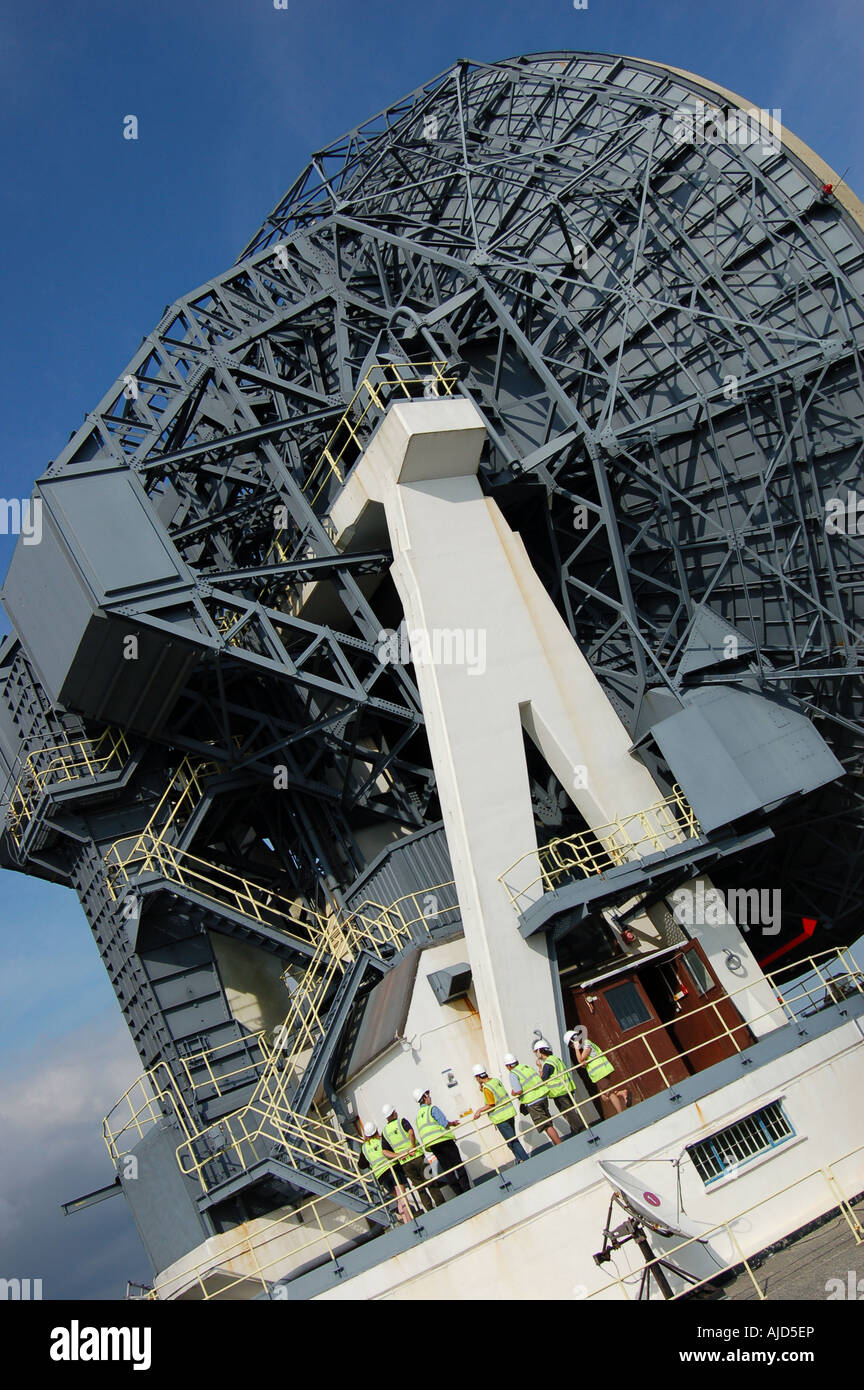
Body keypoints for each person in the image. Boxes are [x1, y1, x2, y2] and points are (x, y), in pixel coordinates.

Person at [381, 1103, 443, 1211]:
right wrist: (413, 1147)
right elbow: (411, 1132)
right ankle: (442, 1205)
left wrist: (399, 1155)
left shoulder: (385, 1132)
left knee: (420, 1189)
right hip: (418, 1157)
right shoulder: (402, 1121)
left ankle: (430, 1210)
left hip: (405, 1163)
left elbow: (385, 1152)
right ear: (393, 1113)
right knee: (430, 1182)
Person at [413, 1086, 471, 1195]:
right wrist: (452, 1123)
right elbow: (443, 1123)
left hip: (433, 1145)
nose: (430, 1097)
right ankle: (466, 1189)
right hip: (444, 1141)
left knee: (448, 1169)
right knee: (458, 1165)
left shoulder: (418, 1117)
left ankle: (458, 1193)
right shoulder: (432, 1109)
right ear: (425, 1097)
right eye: (428, 1095)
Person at [564, 1028, 630, 1114]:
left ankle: (621, 1113)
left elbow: (580, 1059)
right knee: (604, 1097)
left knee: (608, 1093)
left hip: (601, 1071)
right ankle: (622, 1093)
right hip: (598, 1073)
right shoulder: (585, 1045)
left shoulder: (586, 1043)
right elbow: (583, 1061)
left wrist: (577, 1049)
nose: (572, 1047)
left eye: (571, 1044)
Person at [471, 1064, 529, 1163]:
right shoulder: (495, 1081)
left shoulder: (487, 1088)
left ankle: (526, 1160)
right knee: (511, 1141)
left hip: (501, 1118)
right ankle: (519, 1160)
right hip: (509, 1113)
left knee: (513, 1141)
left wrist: (479, 1111)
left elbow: (491, 1104)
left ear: (477, 1077)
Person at [504, 1052, 562, 1146]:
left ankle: (559, 1144)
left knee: (546, 1125)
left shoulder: (513, 1074)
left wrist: (513, 1092)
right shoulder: (526, 1067)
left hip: (533, 1102)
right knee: (548, 1122)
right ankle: (557, 1143)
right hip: (542, 1096)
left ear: (508, 1066)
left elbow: (518, 1091)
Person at [358, 1121, 411, 1223]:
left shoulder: (364, 1148)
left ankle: (405, 1220)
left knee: (398, 1199)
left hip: (381, 1177)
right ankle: (409, 1220)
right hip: (392, 1170)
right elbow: (391, 1152)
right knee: (403, 1198)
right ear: (376, 1130)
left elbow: (361, 1165)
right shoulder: (381, 1141)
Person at [532, 1039, 585, 1135]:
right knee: (572, 1111)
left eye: (536, 1052)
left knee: (569, 1114)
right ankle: (578, 1129)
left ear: (540, 1051)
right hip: (567, 1088)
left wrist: (540, 1068)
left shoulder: (548, 1064)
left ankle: (581, 1131)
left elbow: (543, 1079)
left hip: (559, 1093)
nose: (536, 1054)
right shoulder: (555, 1059)